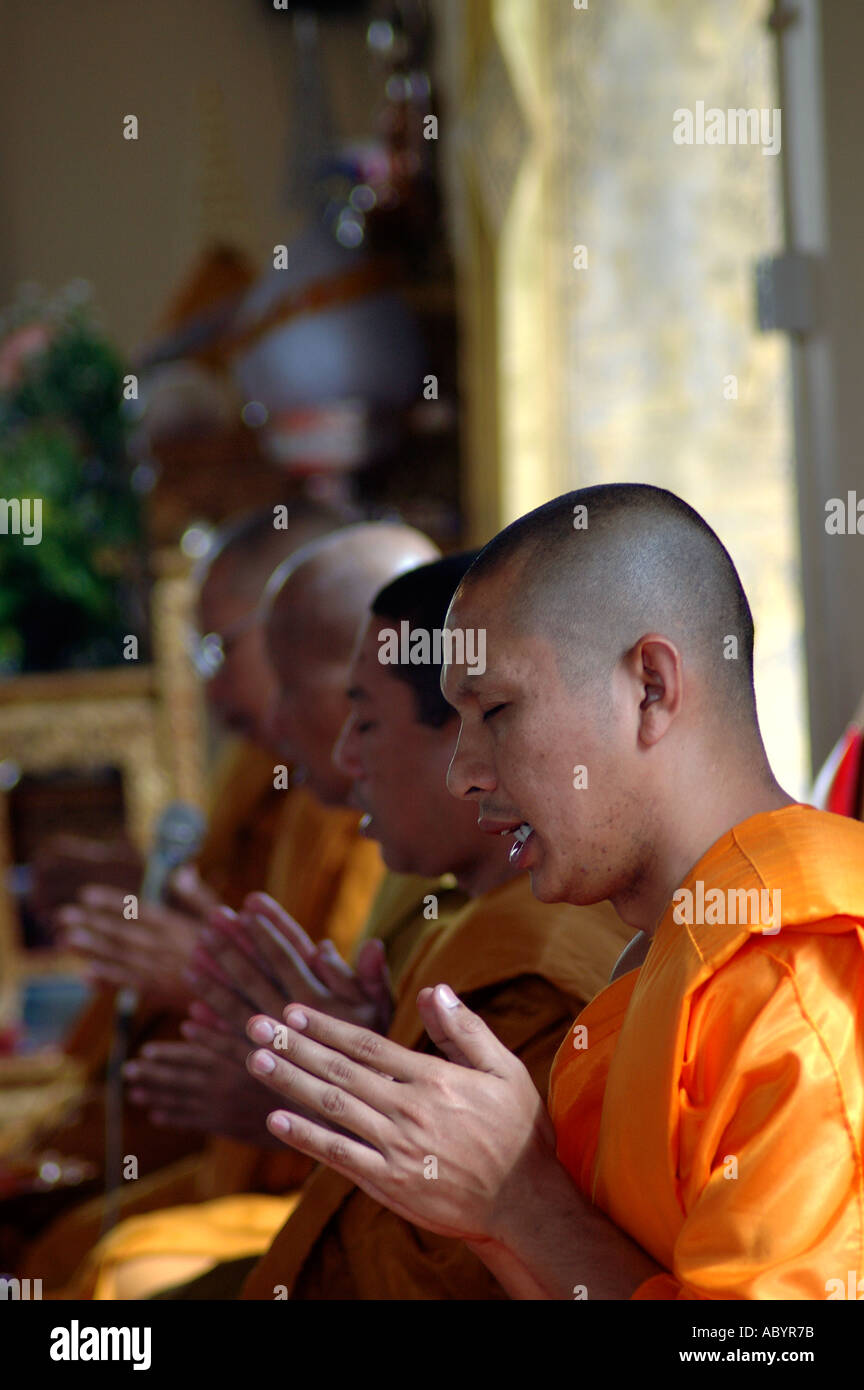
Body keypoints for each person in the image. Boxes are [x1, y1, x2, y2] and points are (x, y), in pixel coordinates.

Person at [244, 483, 864, 1301]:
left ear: (649, 686)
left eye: (496, 709)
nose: (463, 773)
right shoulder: (669, 945)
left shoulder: (792, 979)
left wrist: (523, 1205)